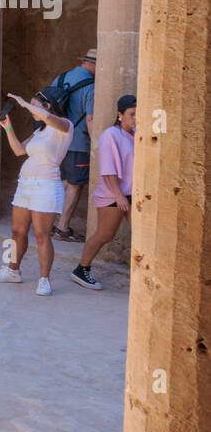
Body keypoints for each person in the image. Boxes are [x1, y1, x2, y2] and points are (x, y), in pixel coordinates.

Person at [0, 90, 74, 296]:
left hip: (46, 186)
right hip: (25, 185)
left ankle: (44, 279)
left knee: (41, 235)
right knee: (16, 231)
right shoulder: (39, 132)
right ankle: (12, 270)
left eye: (36, 106)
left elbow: (49, 118)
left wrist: (24, 102)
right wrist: (7, 127)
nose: (31, 111)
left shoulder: (64, 126)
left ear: (47, 106)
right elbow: (19, 150)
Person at [72, 94, 137, 290]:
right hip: (113, 194)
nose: (136, 118)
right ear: (120, 115)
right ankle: (81, 270)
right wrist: (118, 196)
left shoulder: (136, 134)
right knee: (105, 234)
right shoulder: (111, 135)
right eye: (132, 114)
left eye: (139, 114)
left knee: (142, 236)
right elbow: (108, 169)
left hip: (134, 194)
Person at [52, 49, 97, 242]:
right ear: (95, 65)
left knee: (62, 182)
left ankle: (50, 222)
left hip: (56, 141)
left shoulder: (61, 78)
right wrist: (97, 145)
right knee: (74, 185)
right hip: (78, 143)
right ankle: (62, 228)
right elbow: (91, 118)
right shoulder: (91, 86)